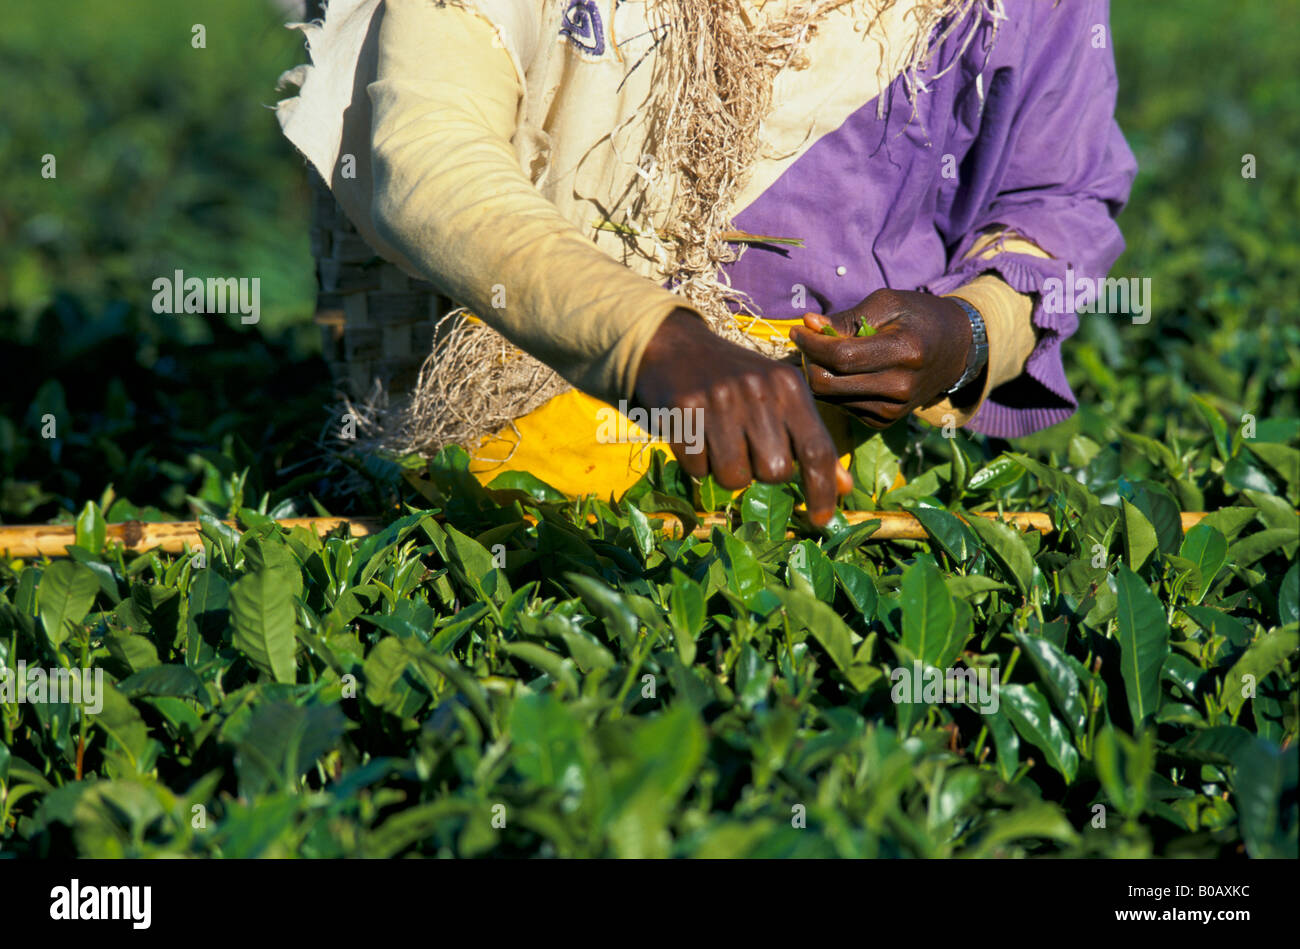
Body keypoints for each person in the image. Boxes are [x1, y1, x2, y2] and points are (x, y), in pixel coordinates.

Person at [277, 0, 1136, 525]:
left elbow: (1057, 200)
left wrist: (969, 334)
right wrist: (652, 341)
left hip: (843, 501)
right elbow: (423, 157)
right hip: (491, 482)